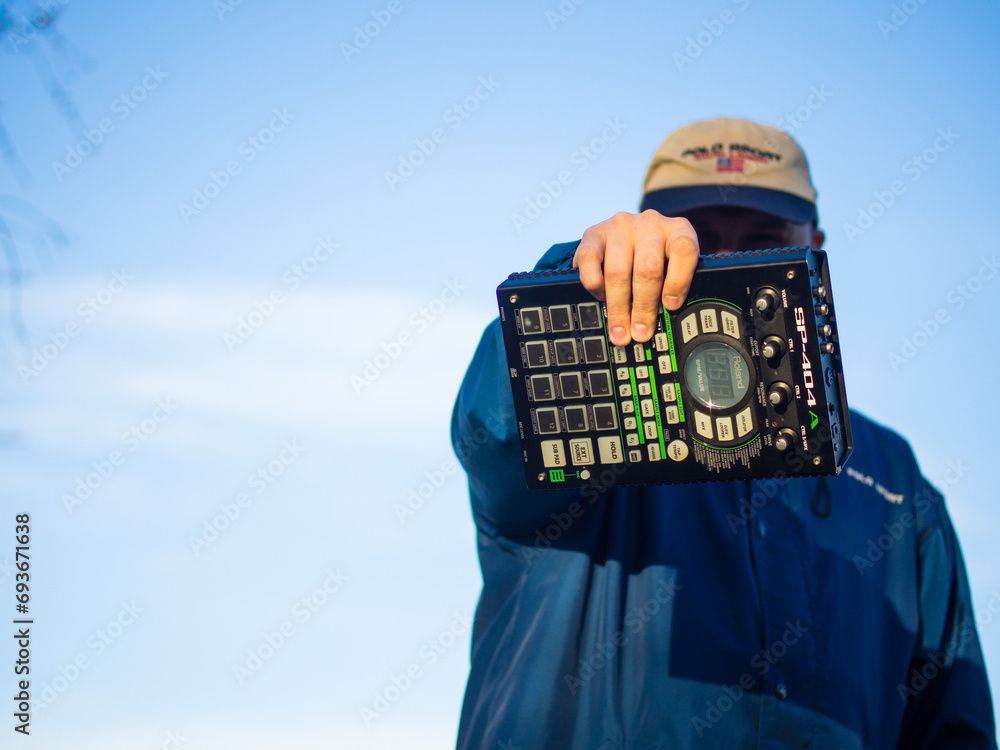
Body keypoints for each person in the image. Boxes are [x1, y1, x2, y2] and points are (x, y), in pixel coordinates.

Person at [450, 117, 996, 749]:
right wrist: (576, 290)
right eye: (697, 239)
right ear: (646, 245)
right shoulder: (593, 432)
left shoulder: (896, 483)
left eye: (765, 239)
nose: (729, 263)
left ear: (815, 246)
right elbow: (497, 429)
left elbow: (954, 729)